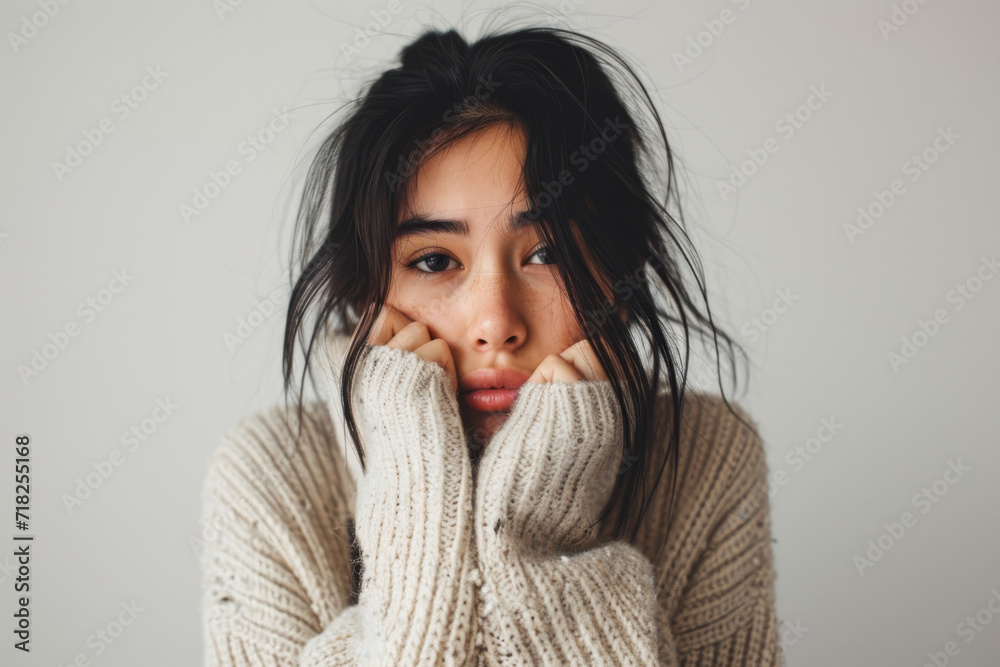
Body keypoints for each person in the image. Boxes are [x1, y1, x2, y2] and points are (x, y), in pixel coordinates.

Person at [199, 21, 783, 666]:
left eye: (549, 251)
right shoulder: (273, 475)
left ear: (622, 265)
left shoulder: (705, 456)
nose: (495, 322)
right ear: (362, 285)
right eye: (431, 261)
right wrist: (420, 488)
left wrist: (536, 515)